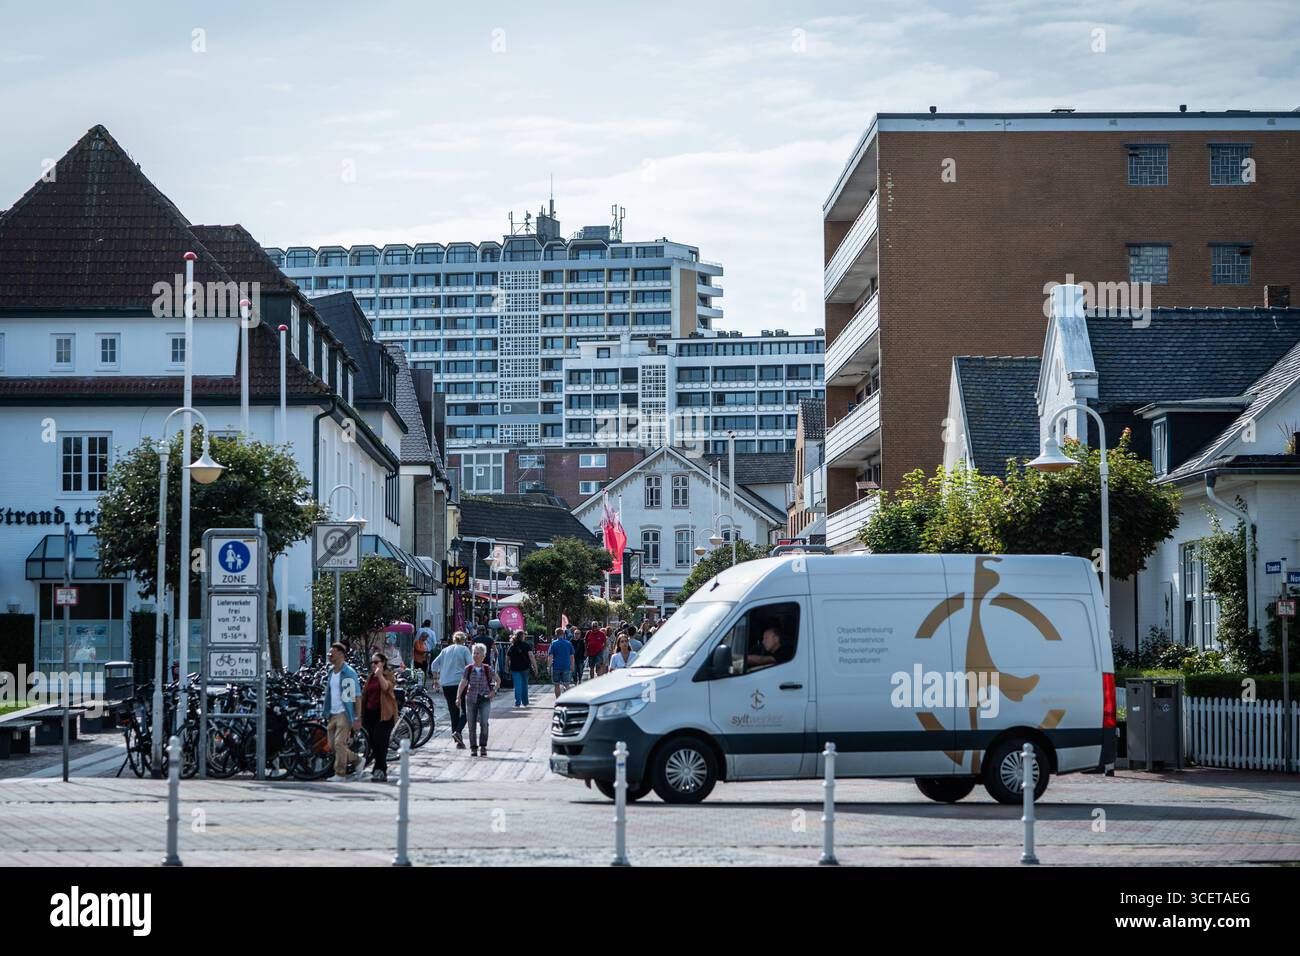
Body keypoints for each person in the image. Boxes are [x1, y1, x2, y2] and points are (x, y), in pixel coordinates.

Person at [323, 642, 362, 781]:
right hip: (332, 713)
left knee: (339, 743)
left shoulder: (348, 673)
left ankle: (340, 774)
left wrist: (357, 717)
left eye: (331, 653)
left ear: (340, 654)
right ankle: (357, 760)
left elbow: (356, 695)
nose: (329, 656)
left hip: (344, 713)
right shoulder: (330, 672)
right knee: (333, 745)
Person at [432, 631, 473, 748]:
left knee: (453, 711)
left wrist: (435, 679)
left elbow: (434, 664)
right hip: (460, 683)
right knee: (466, 710)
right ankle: (458, 731)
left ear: (454, 639)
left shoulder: (445, 650)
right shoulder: (464, 649)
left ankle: (457, 739)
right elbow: (470, 666)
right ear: (464, 640)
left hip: (446, 684)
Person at [457, 643, 499, 757]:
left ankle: (483, 746)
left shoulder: (487, 669)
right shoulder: (468, 668)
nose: (475, 655)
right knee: (471, 725)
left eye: (477, 653)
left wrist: (493, 691)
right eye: (474, 653)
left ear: (483, 656)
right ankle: (473, 748)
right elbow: (463, 683)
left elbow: (498, 680)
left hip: (484, 698)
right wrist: (458, 697)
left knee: (484, 723)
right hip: (471, 698)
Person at [361, 652, 399, 781]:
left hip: (384, 715)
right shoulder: (370, 677)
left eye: (376, 662)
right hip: (370, 714)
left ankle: (381, 770)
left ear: (383, 663)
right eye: (371, 662)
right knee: (372, 743)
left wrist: (380, 675)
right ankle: (377, 768)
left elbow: (387, 688)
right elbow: (364, 694)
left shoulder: (388, 675)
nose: (373, 665)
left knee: (380, 742)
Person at [508, 630, 537, 708]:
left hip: (515, 668)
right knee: (524, 685)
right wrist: (535, 667)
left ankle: (517, 703)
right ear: (522, 636)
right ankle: (525, 702)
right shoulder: (526, 645)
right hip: (525, 668)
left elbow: (507, 658)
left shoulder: (512, 646)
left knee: (517, 685)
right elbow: (531, 656)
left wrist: (506, 667)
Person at [548, 626, 574, 695]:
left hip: (556, 667)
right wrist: (572, 665)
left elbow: (550, 656)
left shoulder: (553, 643)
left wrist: (549, 666)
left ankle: (558, 700)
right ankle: (567, 700)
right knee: (567, 684)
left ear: (556, 634)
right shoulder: (568, 643)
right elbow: (572, 656)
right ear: (563, 634)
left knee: (557, 685)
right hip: (566, 666)